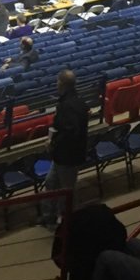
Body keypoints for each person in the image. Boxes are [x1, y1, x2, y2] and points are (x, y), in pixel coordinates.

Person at [38, 70, 89, 227]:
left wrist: (53, 142)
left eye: (57, 81)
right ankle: (48, 216)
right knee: (51, 182)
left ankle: (68, 221)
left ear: (62, 84)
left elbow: (70, 132)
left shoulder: (68, 106)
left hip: (67, 155)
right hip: (62, 155)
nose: (56, 84)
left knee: (67, 190)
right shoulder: (77, 102)